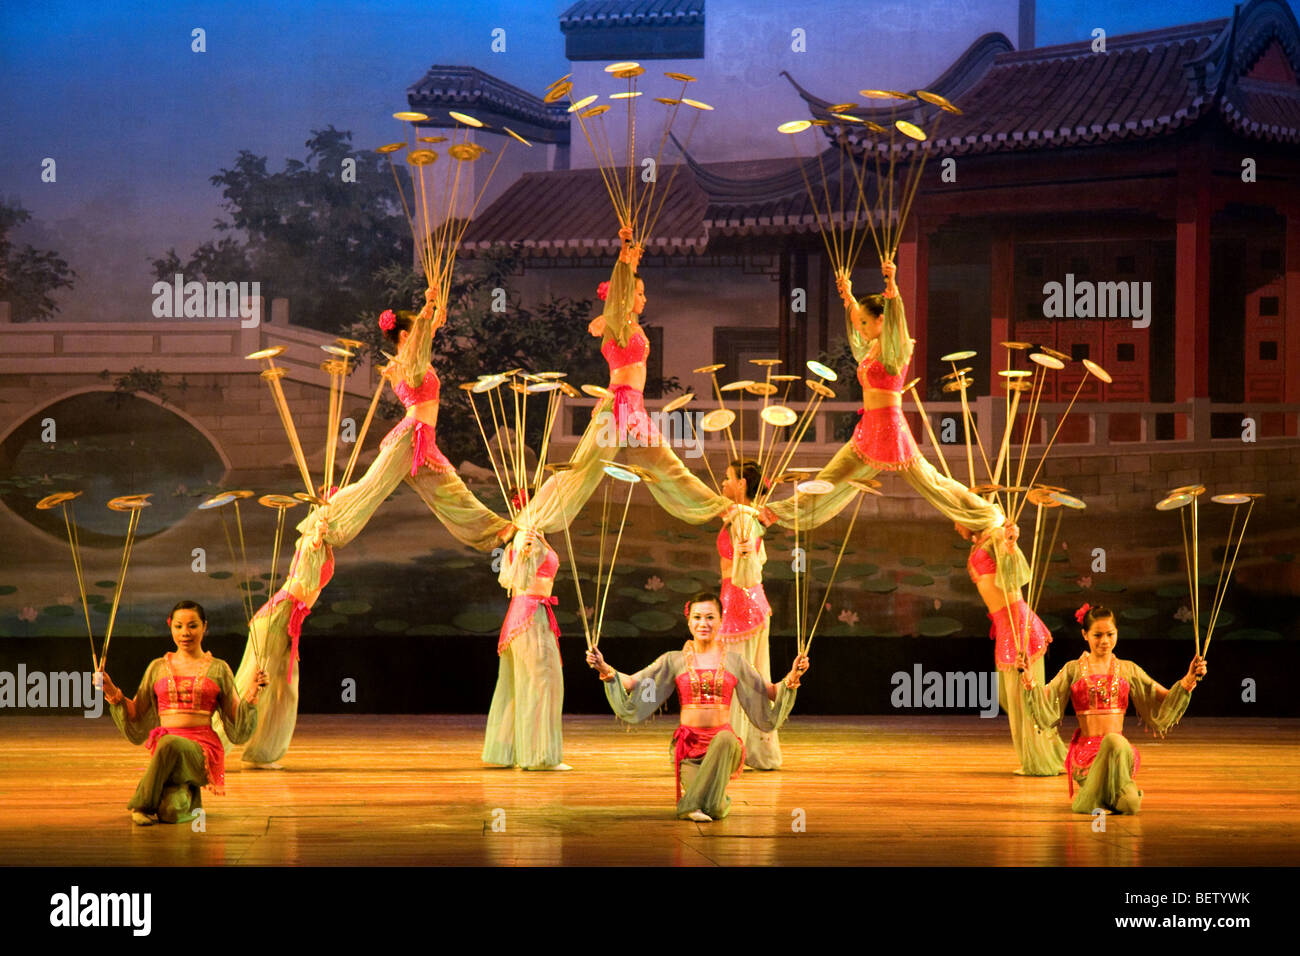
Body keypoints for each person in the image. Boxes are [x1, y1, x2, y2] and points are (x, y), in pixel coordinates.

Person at [230, 288, 510, 766]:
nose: (421, 338)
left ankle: (497, 530)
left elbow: (423, 344)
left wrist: (432, 317)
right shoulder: (408, 362)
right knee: (371, 490)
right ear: (404, 337)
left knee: (451, 492)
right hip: (410, 437)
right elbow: (419, 347)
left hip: (421, 439)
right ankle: (330, 517)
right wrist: (428, 312)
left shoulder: (408, 361)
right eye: (415, 333)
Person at [511, 226, 730, 534]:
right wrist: (624, 255)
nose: (645, 298)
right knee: (581, 472)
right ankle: (531, 520)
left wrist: (633, 262)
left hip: (634, 408)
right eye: (638, 293)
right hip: (617, 406)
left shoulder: (629, 323)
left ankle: (721, 509)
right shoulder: (615, 323)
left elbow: (623, 296)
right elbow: (618, 296)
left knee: (668, 466)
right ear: (625, 295)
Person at [766, 260, 1004, 535]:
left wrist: (891, 284)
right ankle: (777, 513)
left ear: (883, 320)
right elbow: (856, 319)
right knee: (830, 477)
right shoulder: (870, 349)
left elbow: (896, 319)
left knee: (932, 484)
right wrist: (848, 295)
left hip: (891, 430)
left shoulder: (896, 349)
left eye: (866, 322)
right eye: (861, 323)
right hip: (868, 429)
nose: (861, 328)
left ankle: (985, 515)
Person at [585, 592, 809, 821]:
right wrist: (603, 667)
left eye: (710, 617)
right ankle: (708, 803)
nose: (704, 623)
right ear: (689, 621)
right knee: (715, 809)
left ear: (721, 621)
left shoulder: (735, 661)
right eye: (697, 617)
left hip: (723, 748)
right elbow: (634, 682)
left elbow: (769, 691)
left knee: (726, 738)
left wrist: (794, 674)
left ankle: (688, 806)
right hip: (689, 749)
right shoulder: (673, 660)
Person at [1017, 603, 1206, 814]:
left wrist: (1190, 678)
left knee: (1130, 804)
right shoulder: (1073, 669)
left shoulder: (1128, 668)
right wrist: (1029, 678)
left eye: (1110, 634)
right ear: (1085, 635)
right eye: (1097, 635)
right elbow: (1045, 696)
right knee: (1113, 740)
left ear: (1117, 633)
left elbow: (1164, 697)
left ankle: (1093, 799)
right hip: (1087, 758)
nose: (1105, 641)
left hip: (1118, 756)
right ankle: (1091, 798)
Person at [99, 601, 268, 825]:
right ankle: (190, 798)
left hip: (201, 750)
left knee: (168, 742)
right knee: (170, 813)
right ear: (170, 626)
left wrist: (253, 692)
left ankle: (141, 805)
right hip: (166, 753)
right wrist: (110, 689)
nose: (185, 633)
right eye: (178, 626)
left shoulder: (219, 668)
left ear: (204, 626)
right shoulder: (157, 667)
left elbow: (236, 715)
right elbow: (136, 712)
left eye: (192, 626)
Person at [958, 521, 1066, 775]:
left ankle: (1039, 761)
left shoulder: (996, 536)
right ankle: (1054, 754)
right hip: (1005, 626)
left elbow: (1015, 575)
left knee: (1024, 700)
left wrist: (1010, 543)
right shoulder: (981, 541)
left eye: (956, 519)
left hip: (1017, 625)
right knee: (1008, 698)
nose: (955, 526)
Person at [482, 518, 569, 770]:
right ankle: (539, 756)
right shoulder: (525, 537)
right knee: (542, 684)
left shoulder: (529, 535)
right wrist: (524, 553)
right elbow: (518, 580)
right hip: (530, 617)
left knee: (520, 685)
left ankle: (507, 751)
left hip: (525, 614)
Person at [717, 459, 781, 769]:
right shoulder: (749, 517)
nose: (723, 483)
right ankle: (759, 753)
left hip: (741, 604)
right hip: (752, 602)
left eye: (728, 478)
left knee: (736, 681)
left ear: (742, 484)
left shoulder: (743, 518)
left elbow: (747, 571)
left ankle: (732, 753)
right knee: (755, 680)